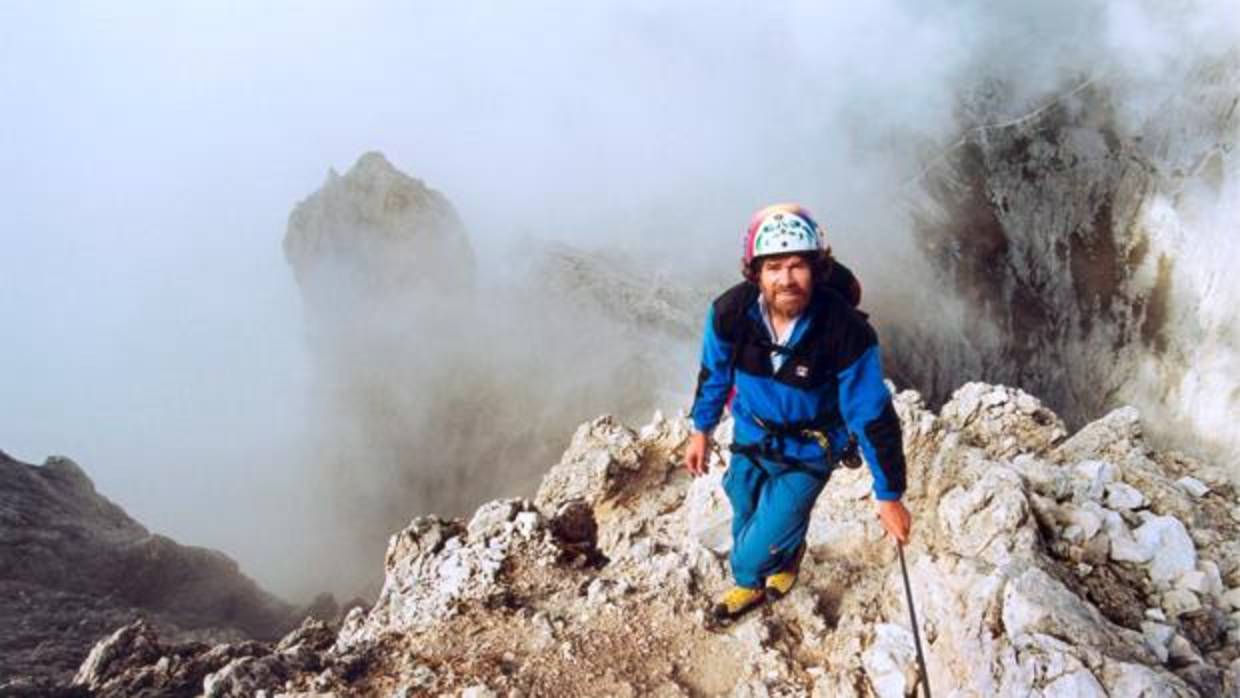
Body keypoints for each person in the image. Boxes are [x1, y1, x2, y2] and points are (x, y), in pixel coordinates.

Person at [684, 203, 911, 622]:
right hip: (752, 436)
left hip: (810, 450)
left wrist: (889, 494)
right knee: (743, 503)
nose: (786, 279)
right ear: (756, 273)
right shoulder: (731, 314)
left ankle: (748, 583)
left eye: (797, 266)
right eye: (773, 267)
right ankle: (788, 557)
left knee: (752, 548)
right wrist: (702, 429)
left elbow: (871, 413)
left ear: (816, 269)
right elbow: (714, 373)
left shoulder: (844, 330)